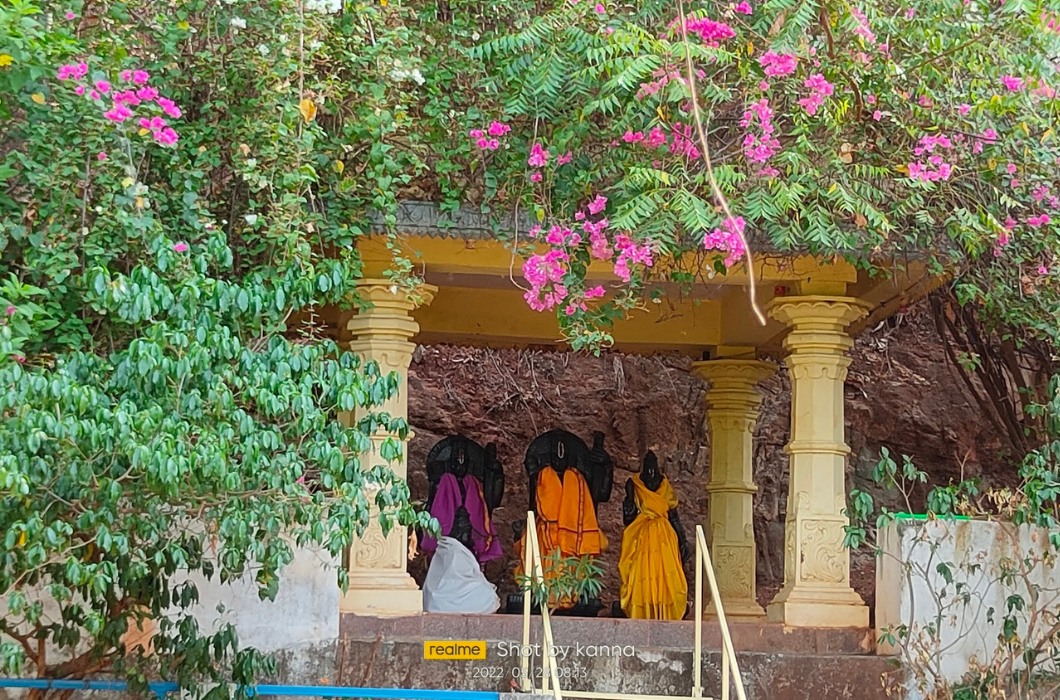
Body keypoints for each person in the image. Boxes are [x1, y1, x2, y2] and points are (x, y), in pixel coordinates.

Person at [618, 451, 689, 620]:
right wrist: (628, 508)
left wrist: (683, 539)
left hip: (665, 537)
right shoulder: (634, 484)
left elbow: (674, 516)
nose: (651, 471)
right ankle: (644, 608)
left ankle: (666, 607)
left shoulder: (665, 485)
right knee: (641, 573)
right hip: (642, 535)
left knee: (667, 576)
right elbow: (628, 517)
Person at [422, 508, 501, 614]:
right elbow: (462, 575)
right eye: (466, 532)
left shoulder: (450, 548)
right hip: (442, 599)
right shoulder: (454, 551)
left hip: (440, 601)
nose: (468, 536)